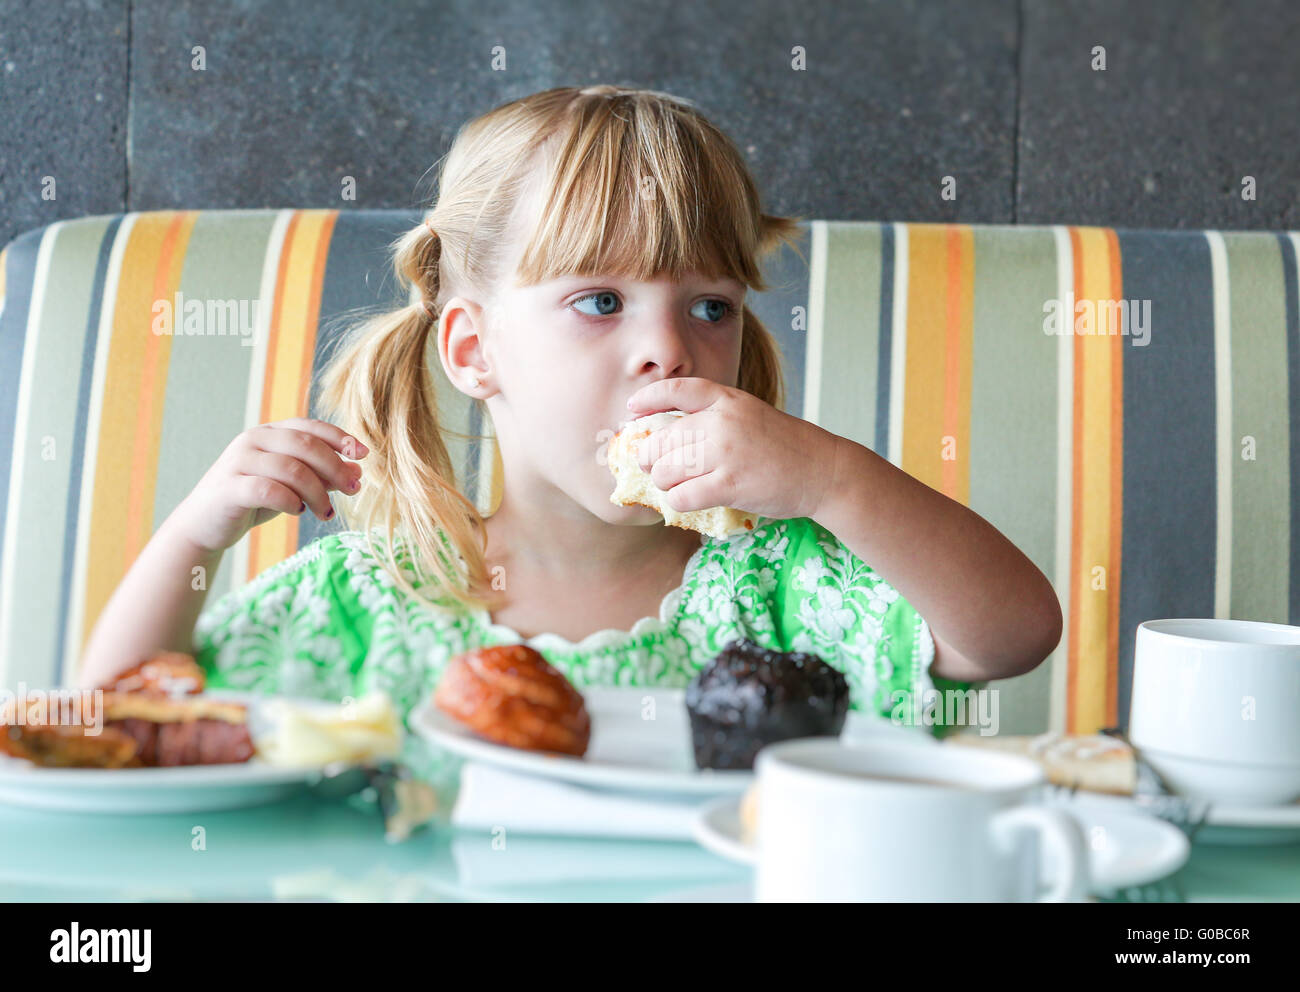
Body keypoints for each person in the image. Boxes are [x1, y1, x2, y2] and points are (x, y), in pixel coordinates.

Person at [79, 85, 1061, 763]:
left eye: (709, 305)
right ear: (473, 350)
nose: (665, 348)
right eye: (600, 301)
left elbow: (1013, 632)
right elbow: (117, 719)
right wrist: (197, 531)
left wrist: (830, 479)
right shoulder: (371, 594)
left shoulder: (777, 586)